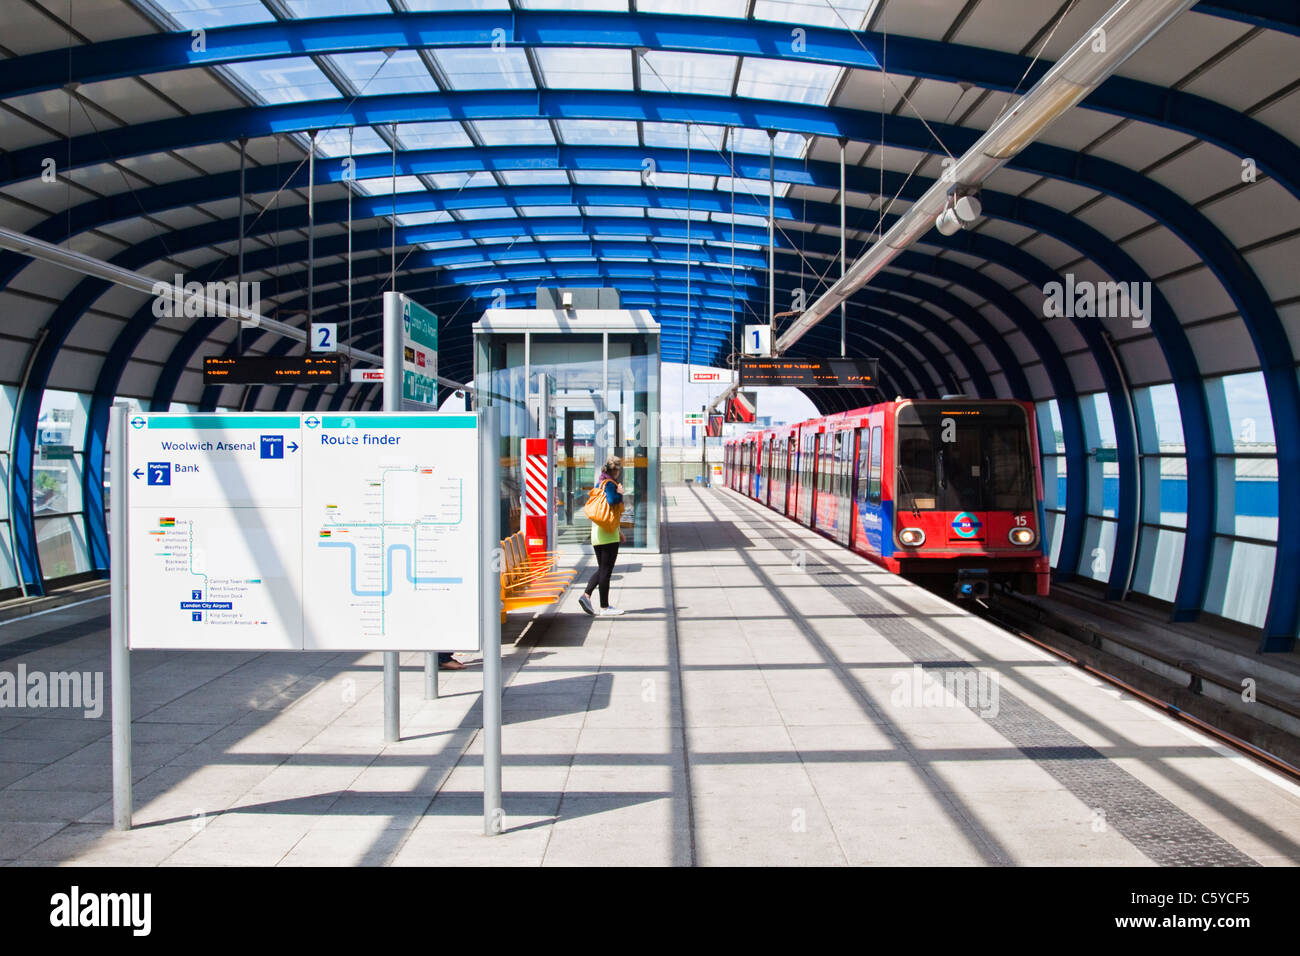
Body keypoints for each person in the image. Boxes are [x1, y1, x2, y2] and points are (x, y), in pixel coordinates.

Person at [578, 455, 626, 617]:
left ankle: (587, 596)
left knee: (603, 569)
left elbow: (605, 511)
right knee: (606, 571)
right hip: (607, 535)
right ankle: (603, 606)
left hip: (598, 532)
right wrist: (620, 493)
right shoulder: (611, 485)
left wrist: (618, 531)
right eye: (619, 469)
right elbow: (612, 501)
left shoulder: (600, 483)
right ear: (616, 470)